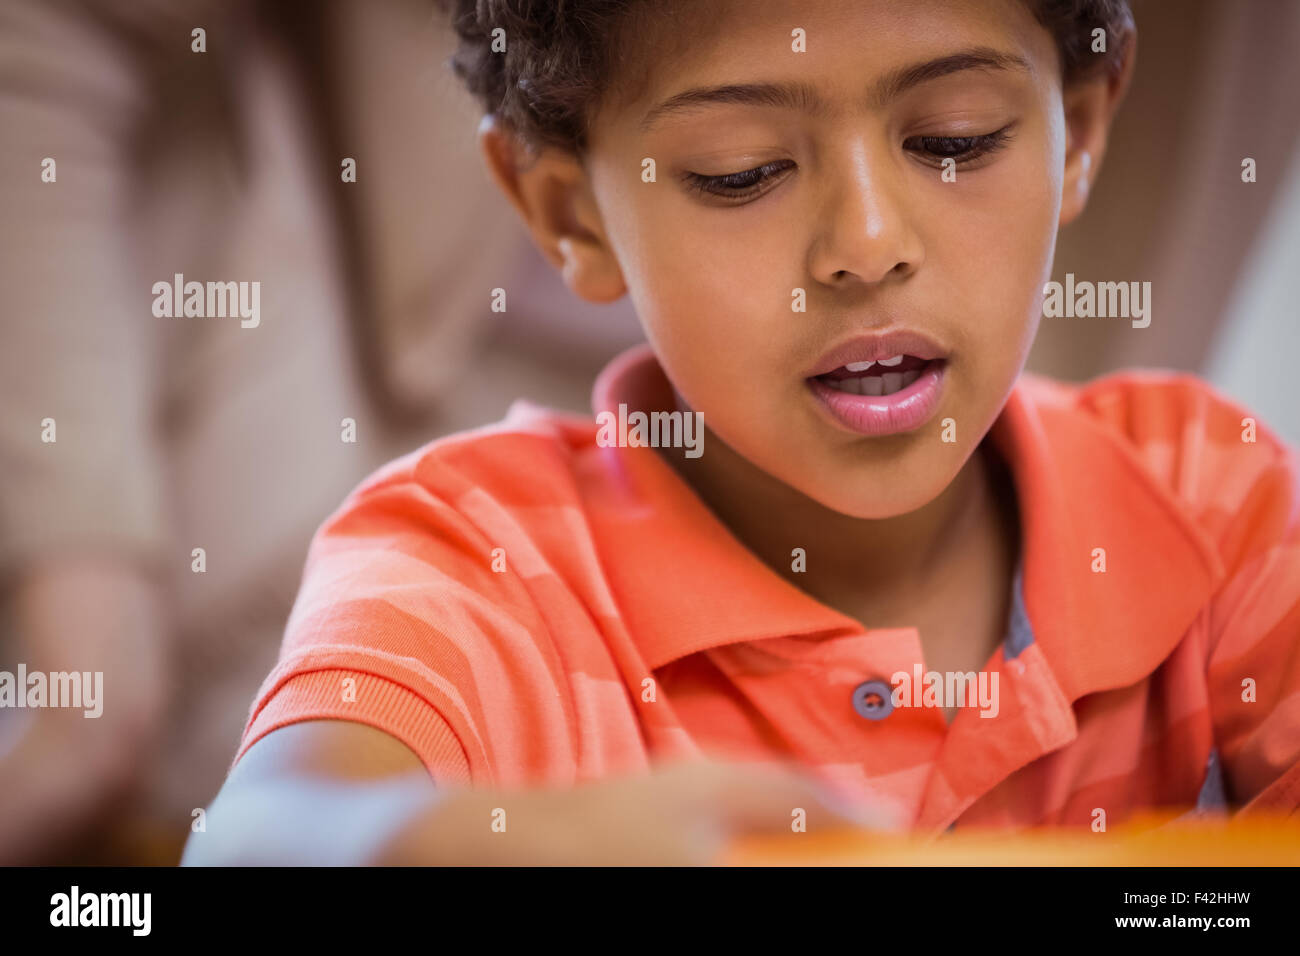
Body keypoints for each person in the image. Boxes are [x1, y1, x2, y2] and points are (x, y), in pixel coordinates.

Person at [183, 0, 1300, 866]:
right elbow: (254, 840)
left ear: (1078, 133)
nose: (865, 243)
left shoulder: (1209, 492)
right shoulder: (473, 555)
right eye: (743, 171)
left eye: (954, 140)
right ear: (569, 213)